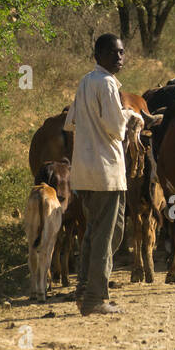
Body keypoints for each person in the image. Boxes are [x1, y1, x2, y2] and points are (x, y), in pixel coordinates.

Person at [64, 34, 129, 315]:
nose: (119, 57)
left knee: (93, 232)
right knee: (107, 234)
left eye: (121, 52)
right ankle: (95, 297)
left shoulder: (85, 81)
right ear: (98, 55)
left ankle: (83, 289)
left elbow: (72, 121)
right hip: (106, 171)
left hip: (84, 170)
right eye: (113, 52)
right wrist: (131, 116)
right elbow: (116, 128)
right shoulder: (107, 85)